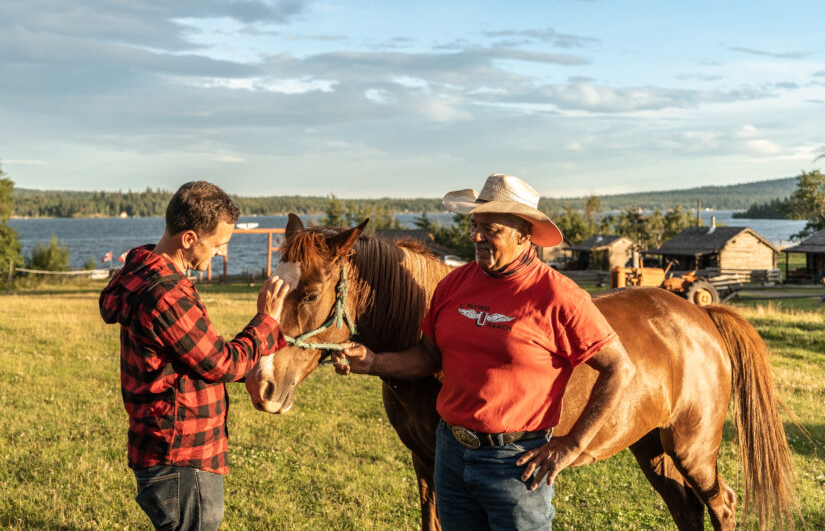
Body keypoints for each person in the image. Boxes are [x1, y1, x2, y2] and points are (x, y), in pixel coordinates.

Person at [333, 173, 636, 530]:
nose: (476, 236)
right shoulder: (453, 285)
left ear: (524, 235)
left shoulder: (558, 296)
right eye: (475, 225)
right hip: (450, 453)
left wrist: (573, 444)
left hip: (515, 464)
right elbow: (429, 357)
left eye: (491, 229)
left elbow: (620, 368)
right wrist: (373, 362)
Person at [99, 181, 290, 530]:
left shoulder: (142, 272)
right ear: (188, 238)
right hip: (180, 457)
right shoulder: (166, 296)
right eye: (218, 244)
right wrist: (267, 321)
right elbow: (222, 363)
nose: (222, 253)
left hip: (164, 450)